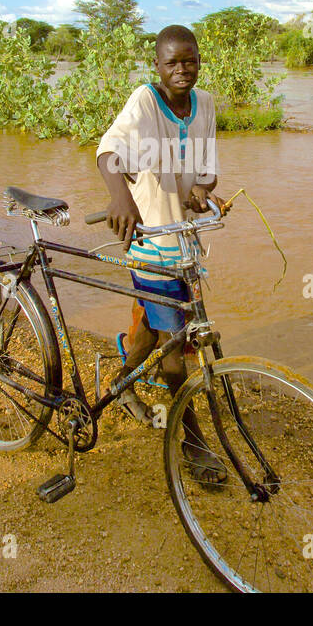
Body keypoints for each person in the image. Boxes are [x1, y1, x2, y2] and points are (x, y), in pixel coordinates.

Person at [95, 25, 228, 485]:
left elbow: (205, 174)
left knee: (155, 329)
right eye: (172, 62)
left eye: (189, 61)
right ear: (157, 65)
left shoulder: (205, 104)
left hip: (185, 237)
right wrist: (120, 199)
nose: (182, 70)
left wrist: (200, 193)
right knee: (176, 346)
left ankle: (119, 386)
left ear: (198, 60)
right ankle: (191, 441)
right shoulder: (144, 102)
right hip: (152, 239)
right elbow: (109, 152)